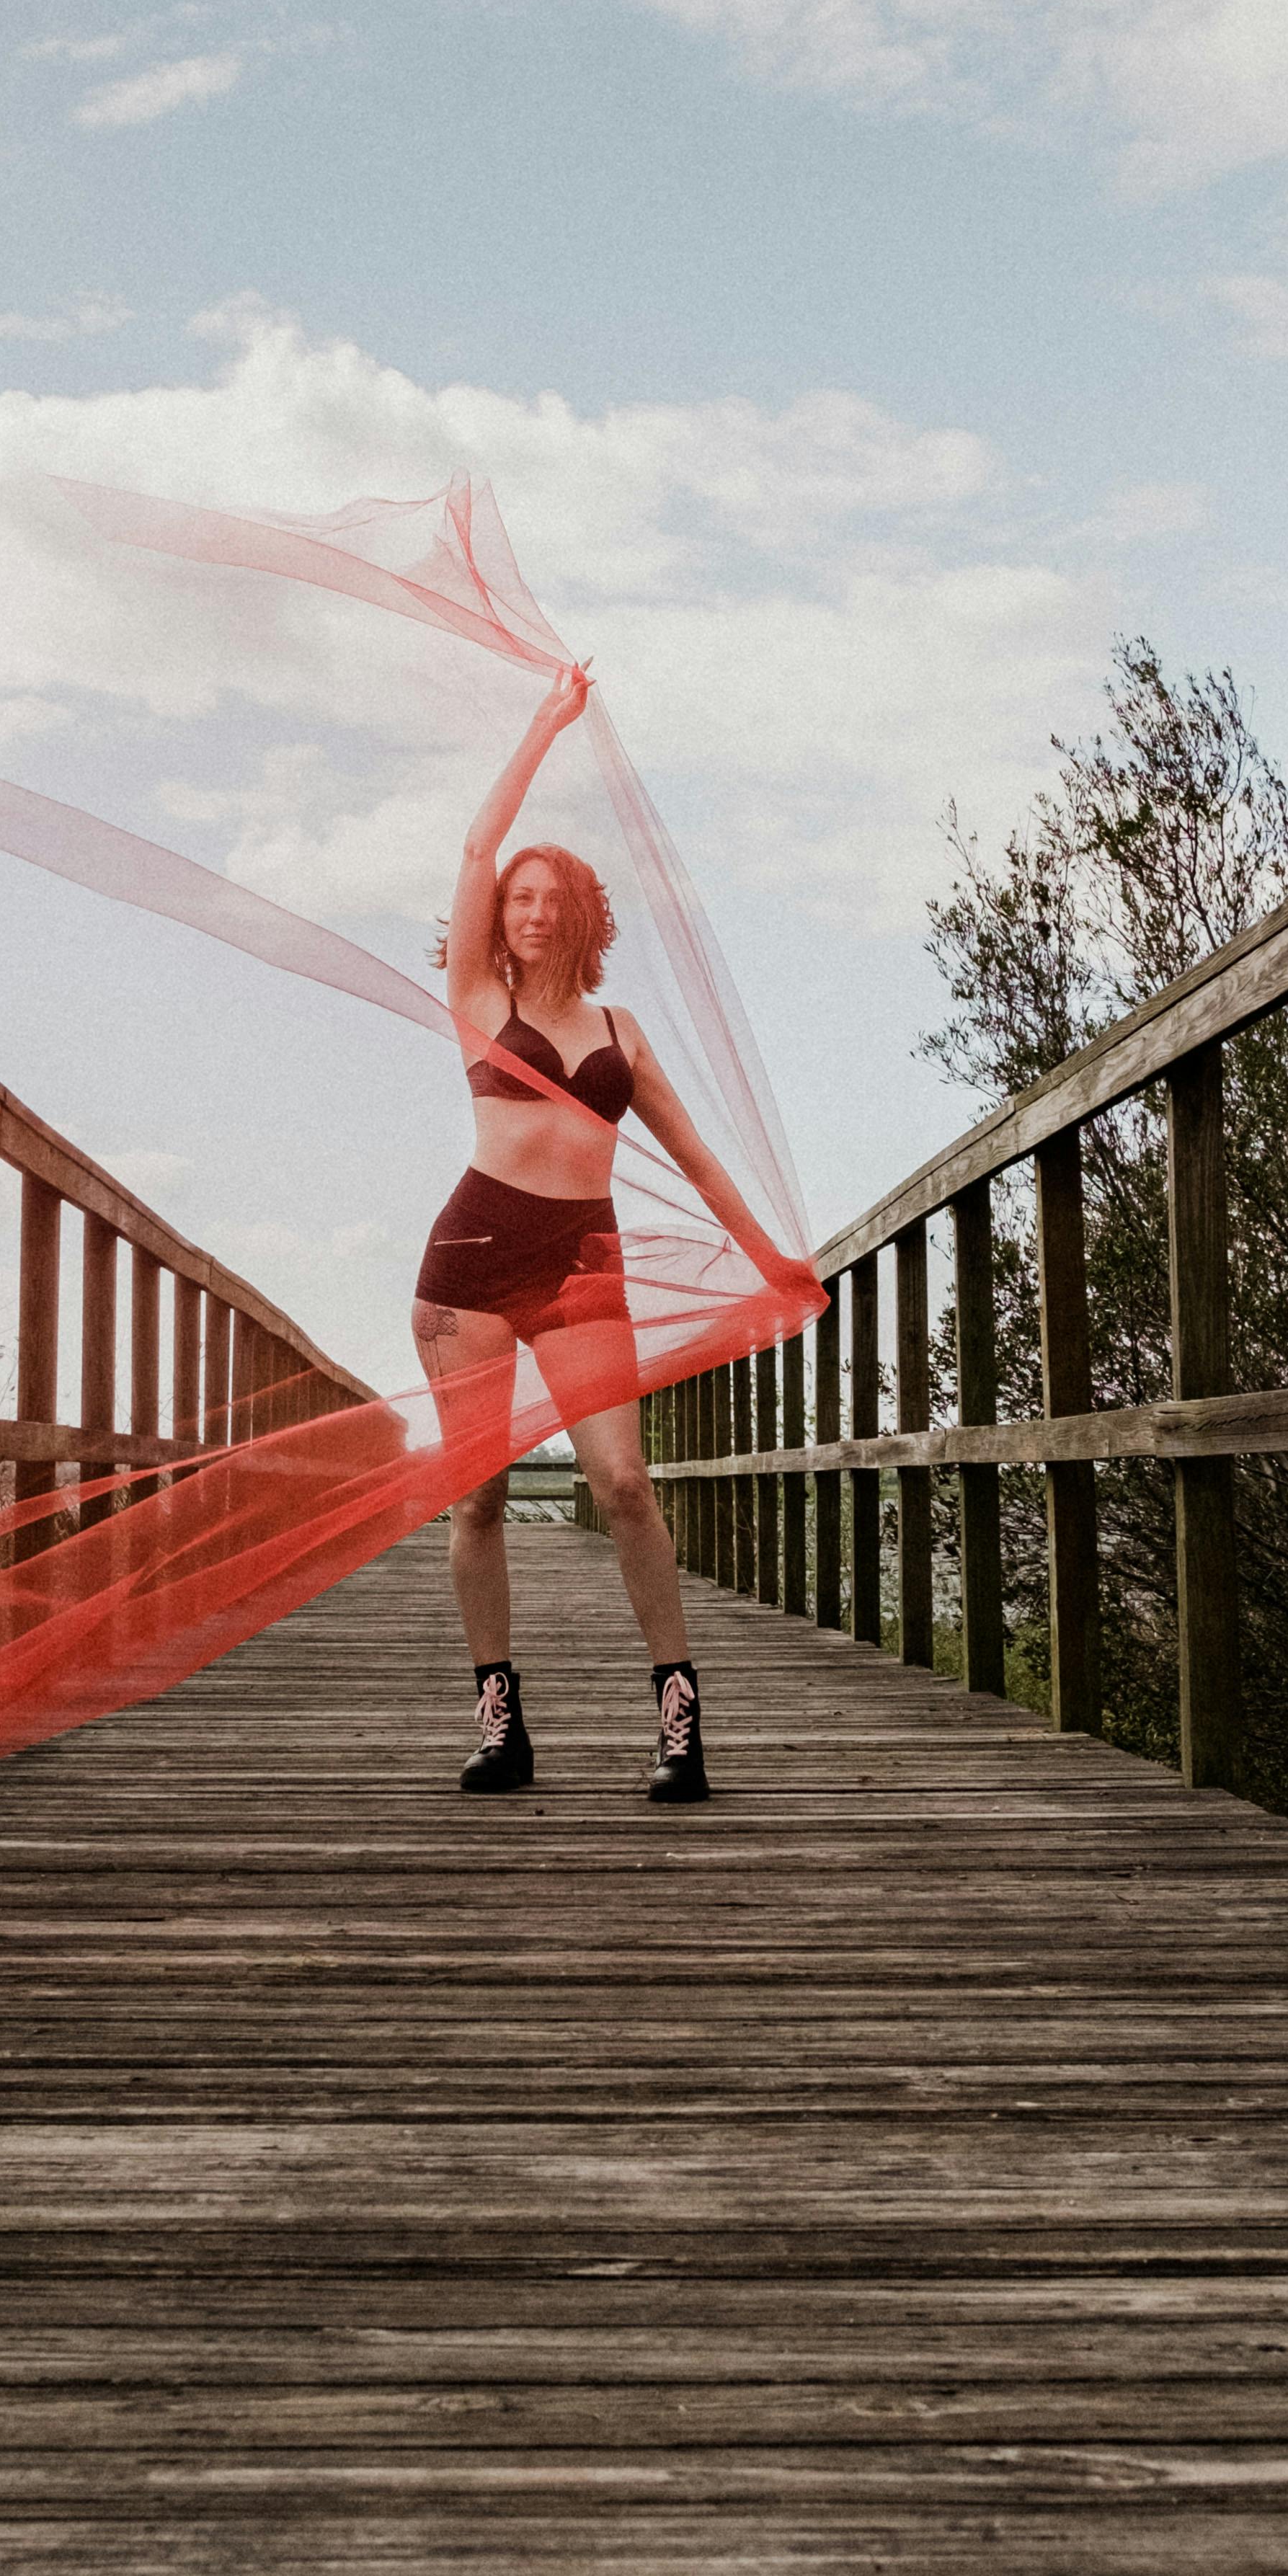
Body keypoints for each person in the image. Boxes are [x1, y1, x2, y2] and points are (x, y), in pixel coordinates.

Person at [413, 662, 809, 1803]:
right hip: (473, 1265)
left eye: (551, 898)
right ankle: (499, 1720)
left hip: (584, 1264)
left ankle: (679, 1721)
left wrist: (768, 1256)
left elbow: (690, 1154)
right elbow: (475, 848)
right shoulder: (476, 1002)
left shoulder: (619, 1031)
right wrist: (544, 725)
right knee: (478, 1495)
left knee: (625, 1484)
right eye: (519, 897)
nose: (530, 909)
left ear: (579, 915)